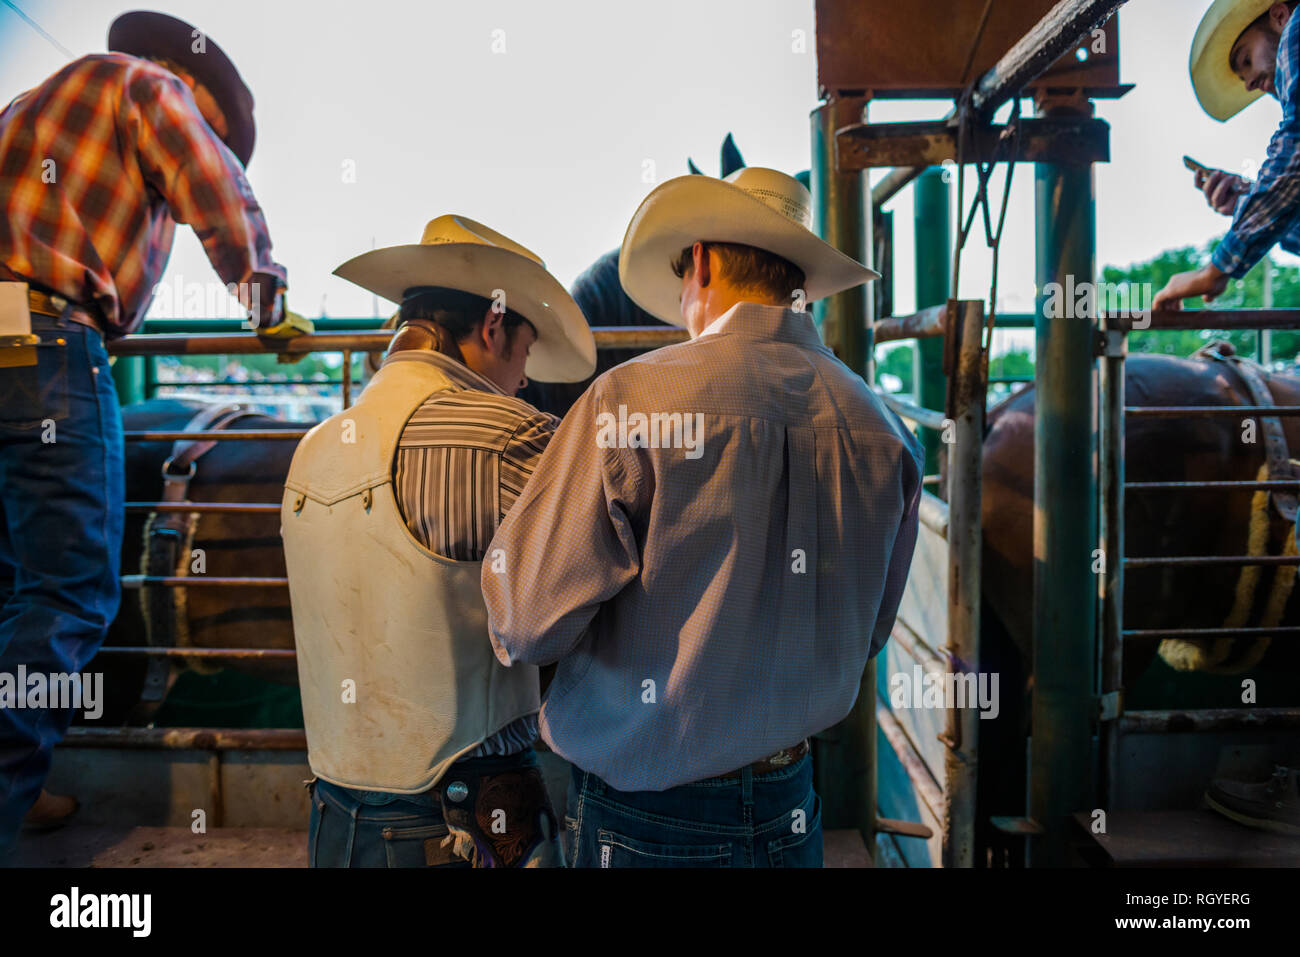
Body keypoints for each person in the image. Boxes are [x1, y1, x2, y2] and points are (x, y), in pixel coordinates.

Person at [481, 167, 924, 868]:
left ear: (706, 261)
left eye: (683, 274)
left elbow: (528, 619)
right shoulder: (884, 431)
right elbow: (868, 631)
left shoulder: (628, 401)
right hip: (791, 804)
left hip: (646, 814)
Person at [0, 10, 287, 854]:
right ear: (189, 86)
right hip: (47, 347)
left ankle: (27, 781)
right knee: (70, 591)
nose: (211, 139)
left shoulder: (24, 106)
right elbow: (217, 194)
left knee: (12, 576)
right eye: (218, 129)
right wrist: (261, 294)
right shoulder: (150, 87)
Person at [282, 215, 595, 867]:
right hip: (469, 823)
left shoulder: (314, 449)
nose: (523, 379)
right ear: (491, 327)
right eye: (524, 352)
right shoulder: (514, 435)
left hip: (334, 815)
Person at [1154, 0, 1300, 309]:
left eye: (1245, 59)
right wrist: (1248, 200)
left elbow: (1297, 140)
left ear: (1279, 15)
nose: (1248, 83)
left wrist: (1215, 270)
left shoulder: (1296, 28)